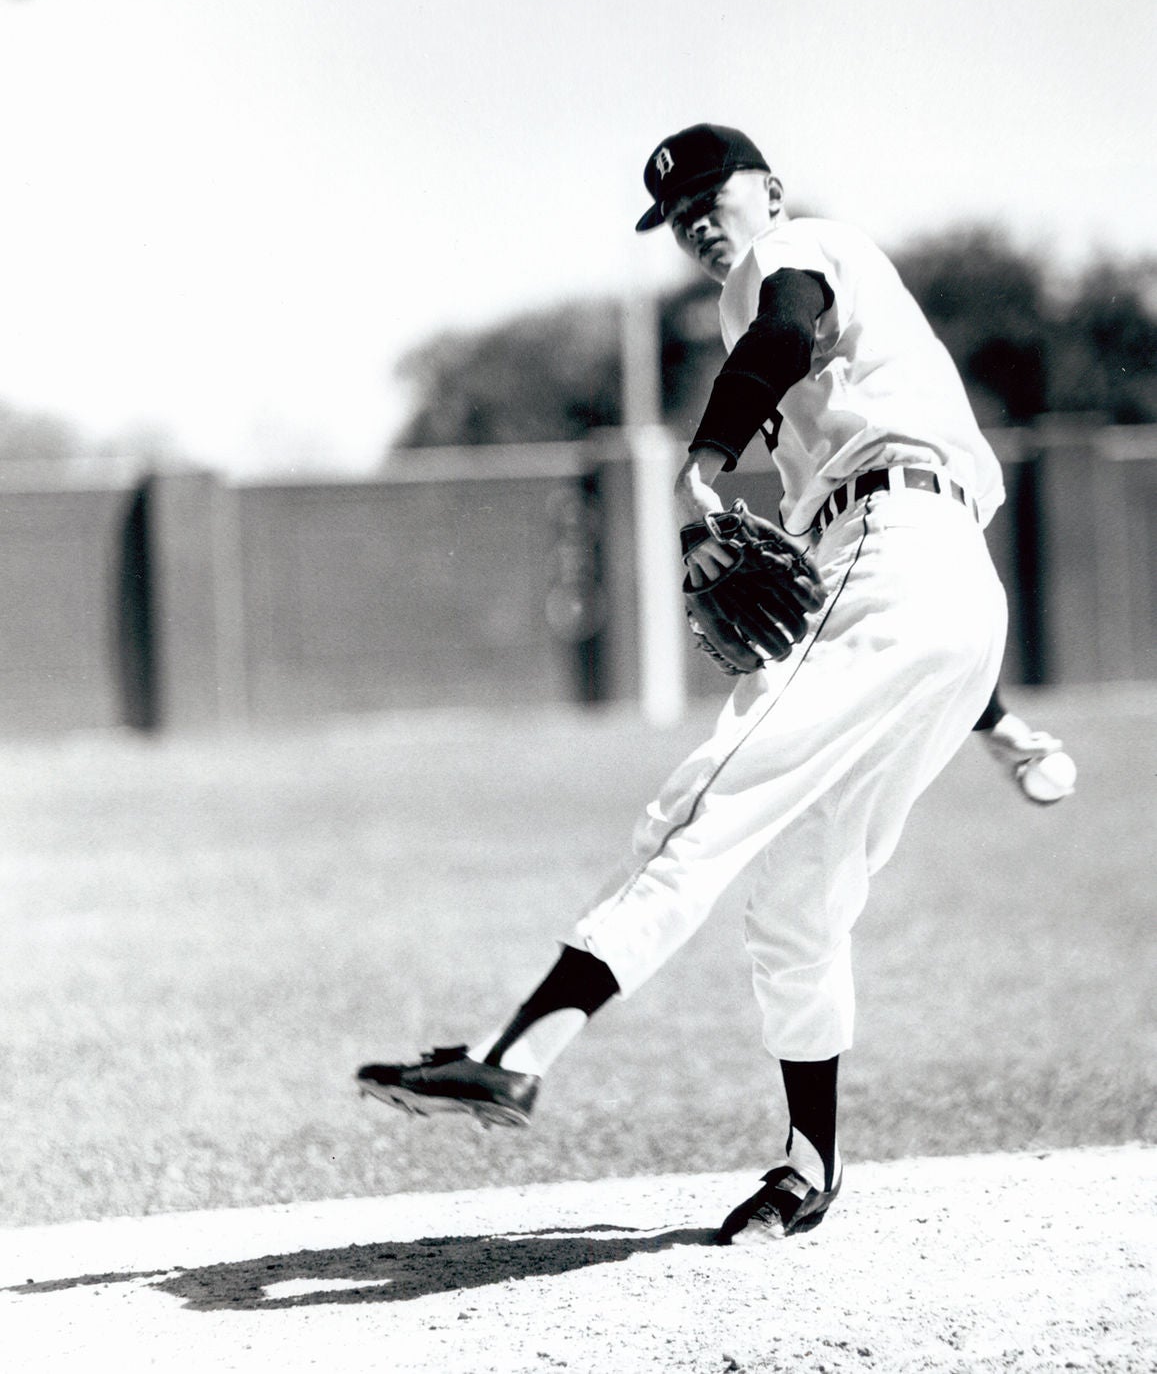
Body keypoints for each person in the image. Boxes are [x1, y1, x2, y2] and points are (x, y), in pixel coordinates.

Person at [357, 124, 1058, 1243]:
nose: (693, 222)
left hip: (893, 552)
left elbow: (781, 331)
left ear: (768, 190)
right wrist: (1001, 723)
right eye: (674, 215)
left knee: (701, 807)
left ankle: (515, 1053)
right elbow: (903, 619)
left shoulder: (797, 253)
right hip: (944, 592)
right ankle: (809, 1166)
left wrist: (703, 459)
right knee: (796, 904)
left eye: (707, 196)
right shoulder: (833, 355)